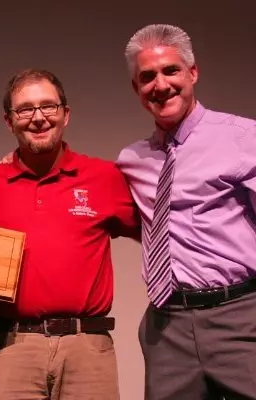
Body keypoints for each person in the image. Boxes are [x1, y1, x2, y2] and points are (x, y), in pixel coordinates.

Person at [0, 69, 139, 400]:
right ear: (9, 121)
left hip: (87, 348)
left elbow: (157, 235)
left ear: (65, 114)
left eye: (48, 106)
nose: (38, 118)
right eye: (25, 109)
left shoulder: (104, 177)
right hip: (10, 347)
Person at [117, 24, 256, 399]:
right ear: (137, 88)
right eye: (147, 77)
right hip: (169, 325)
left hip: (241, 313)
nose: (160, 85)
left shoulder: (245, 138)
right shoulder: (132, 160)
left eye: (171, 71)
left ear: (192, 73)